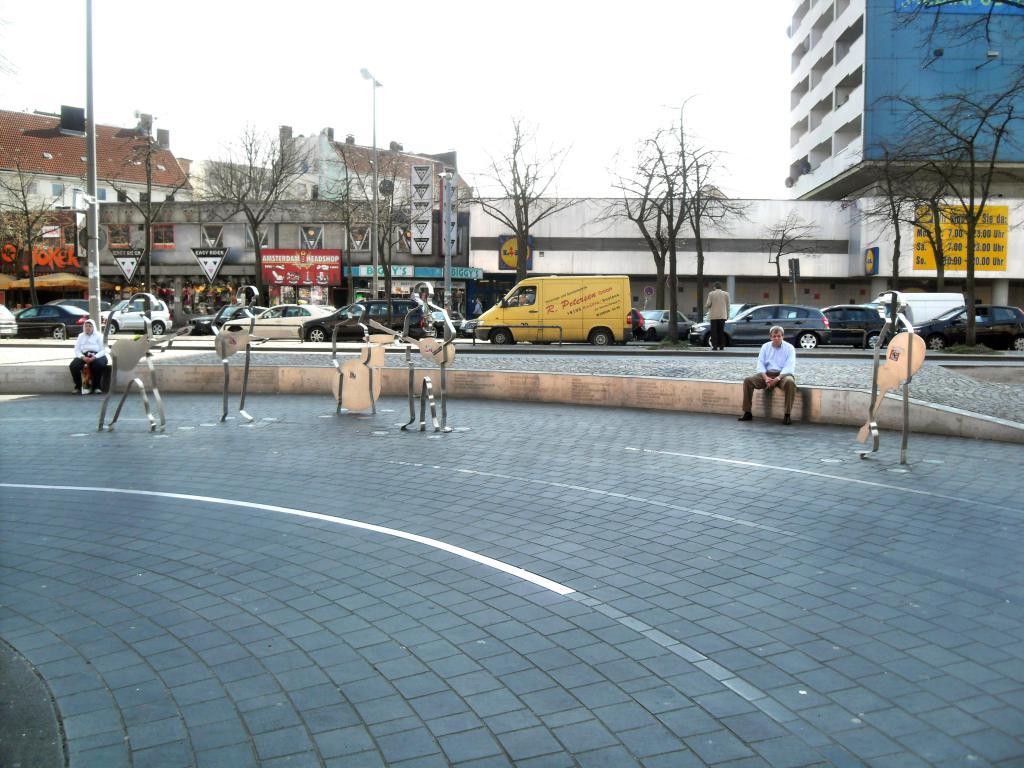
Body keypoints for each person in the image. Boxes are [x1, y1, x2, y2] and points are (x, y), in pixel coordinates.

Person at [738, 326, 796, 425]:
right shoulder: (765, 347)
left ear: (783, 336)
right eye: (774, 336)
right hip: (767, 374)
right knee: (748, 381)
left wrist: (777, 379)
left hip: (783, 375)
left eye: (779, 336)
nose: (776, 338)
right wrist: (765, 378)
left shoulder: (790, 348)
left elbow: (789, 366)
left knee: (790, 382)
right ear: (770, 337)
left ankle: (787, 415)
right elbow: (760, 363)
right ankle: (747, 412)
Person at [69, 318, 110, 395]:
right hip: (84, 356)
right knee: (74, 366)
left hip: (97, 355)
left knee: (98, 365)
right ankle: (78, 387)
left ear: (93, 327)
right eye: (86, 326)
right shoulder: (80, 336)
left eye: (89, 326)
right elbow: (77, 349)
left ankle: (96, 387)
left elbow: (104, 350)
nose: (87, 328)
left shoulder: (99, 336)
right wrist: (82, 357)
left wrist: (94, 357)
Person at [705, 281, 730, 350]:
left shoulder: (711, 294)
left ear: (714, 287)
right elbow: (728, 306)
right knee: (721, 331)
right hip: (723, 315)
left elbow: (708, 304)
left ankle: (715, 346)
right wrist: (727, 315)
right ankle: (721, 345)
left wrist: (706, 306)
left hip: (713, 316)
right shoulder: (726, 294)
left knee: (714, 332)